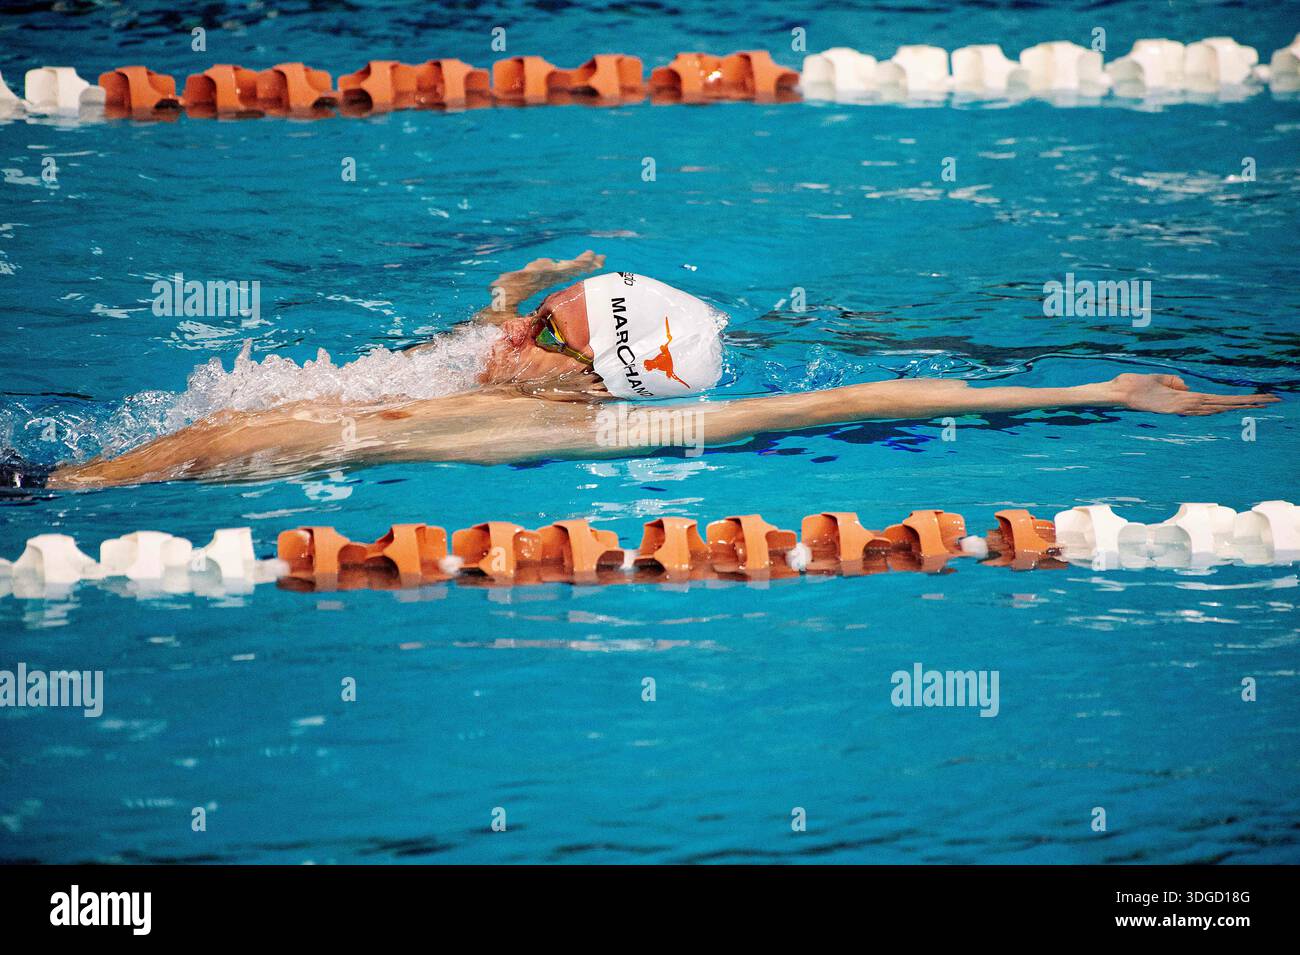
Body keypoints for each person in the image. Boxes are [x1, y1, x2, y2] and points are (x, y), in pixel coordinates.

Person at [3, 251, 1278, 491]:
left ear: (592, 382)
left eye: (539, 330)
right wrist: (527, 290)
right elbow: (498, 320)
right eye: (534, 316)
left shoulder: (567, 436)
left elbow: (853, 398)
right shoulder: (514, 355)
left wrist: (1093, 393)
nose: (511, 333)